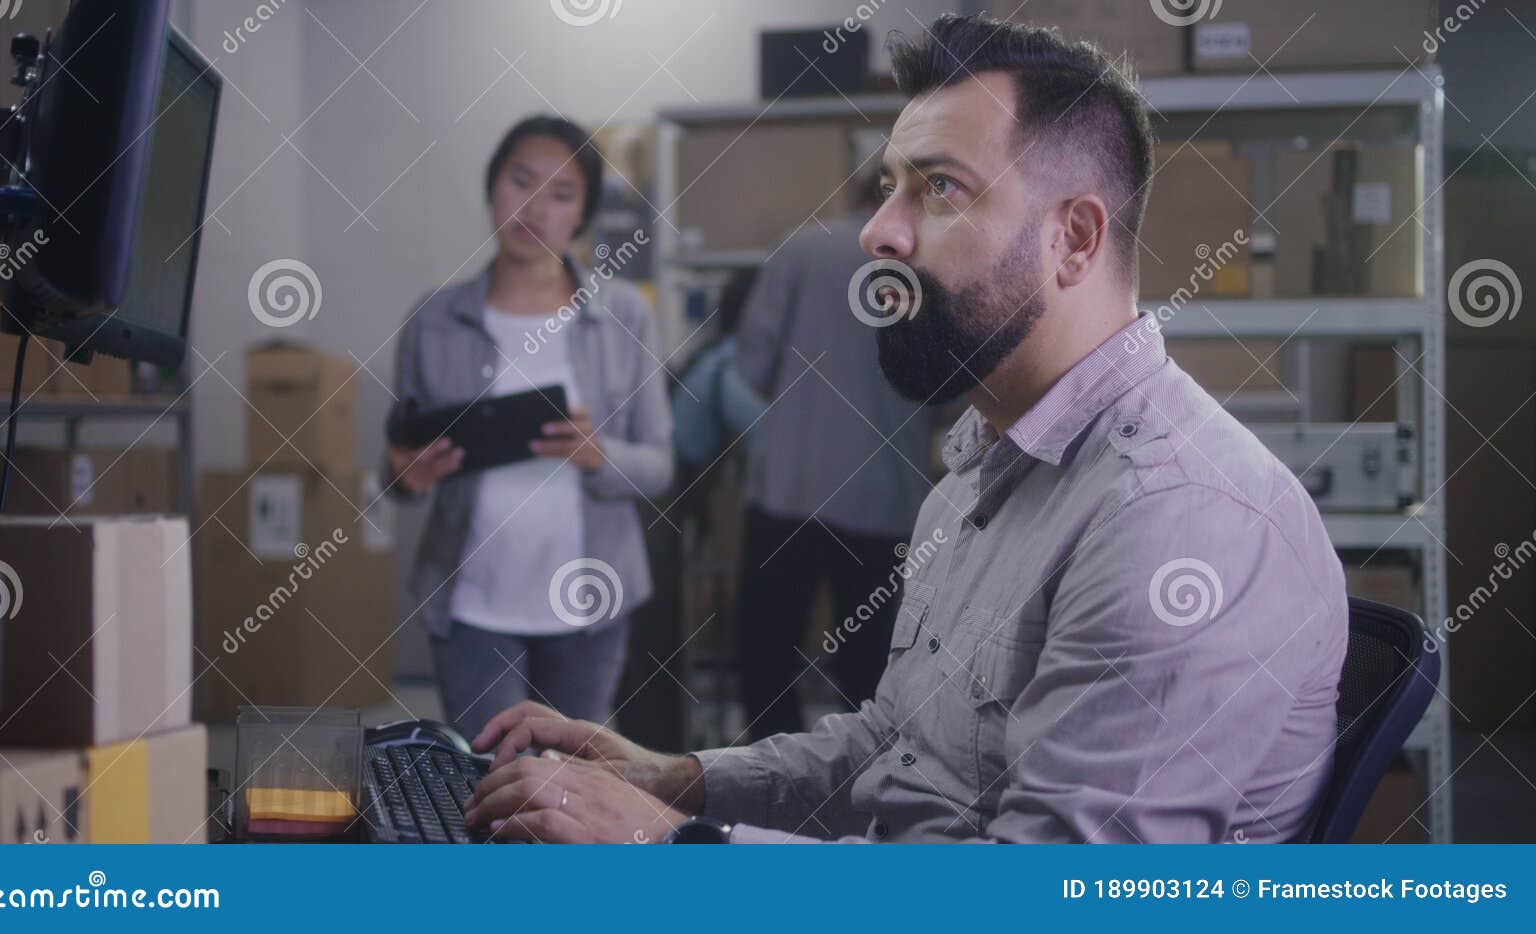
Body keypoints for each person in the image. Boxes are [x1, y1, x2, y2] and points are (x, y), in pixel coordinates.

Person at [460, 15, 1348, 843]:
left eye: (939, 189)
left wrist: (672, 842)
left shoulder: (1175, 518)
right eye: (889, 188)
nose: (878, 233)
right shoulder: (977, 473)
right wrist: (676, 781)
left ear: (1074, 240)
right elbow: (895, 747)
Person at [384, 115, 672, 739]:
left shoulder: (624, 315)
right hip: (471, 604)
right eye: (521, 182)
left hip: (591, 604)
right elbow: (399, 460)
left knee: (568, 780)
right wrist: (405, 476)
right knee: (492, 776)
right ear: (492, 188)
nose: (536, 208)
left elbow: (658, 465)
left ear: (582, 215)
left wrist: (598, 456)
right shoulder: (434, 318)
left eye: (562, 194)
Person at [728, 178, 935, 738]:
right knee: (869, 670)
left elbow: (750, 368)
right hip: (885, 499)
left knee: (768, 659)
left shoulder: (801, 248)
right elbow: (951, 396)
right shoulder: (930, 267)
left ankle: (771, 784)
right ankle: (864, 785)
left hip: (789, 492)